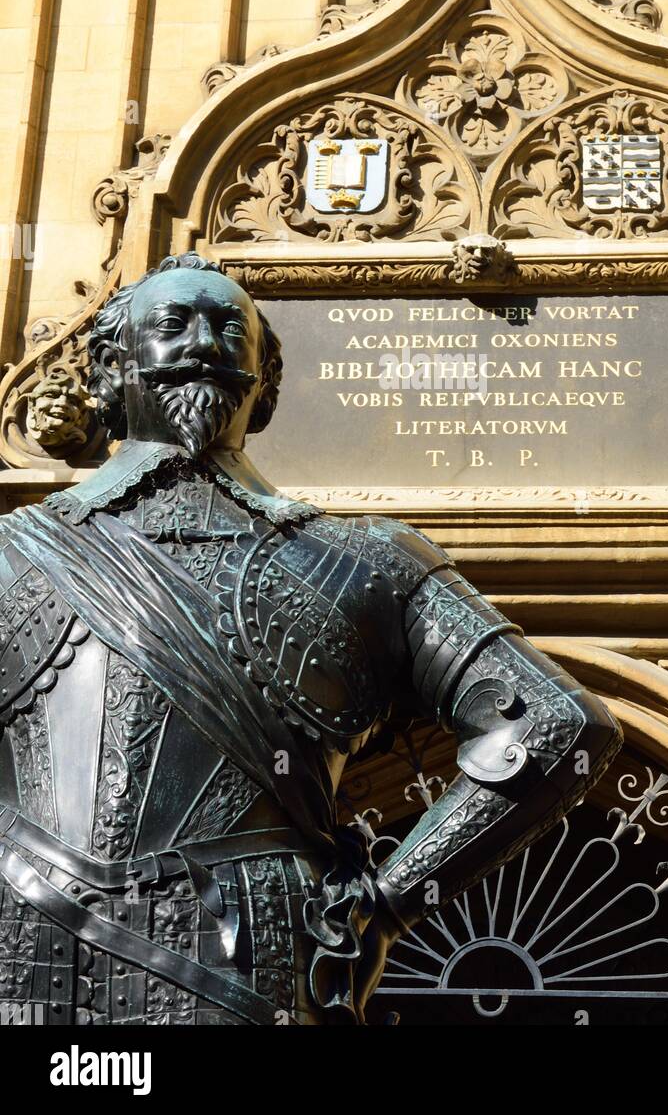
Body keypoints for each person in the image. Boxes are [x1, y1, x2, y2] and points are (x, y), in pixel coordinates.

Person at [0, 253, 621, 1024]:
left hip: (241, 945)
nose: (203, 343)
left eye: (230, 328)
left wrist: (389, 902)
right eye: (173, 324)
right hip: (27, 944)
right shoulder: (10, 551)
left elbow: (557, 723)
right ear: (109, 367)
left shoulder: (367, 558)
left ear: (266, 384)